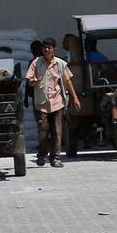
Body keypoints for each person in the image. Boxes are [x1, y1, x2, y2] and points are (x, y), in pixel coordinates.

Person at [26, 37, 80, 167]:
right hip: (41, 104)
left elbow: (67, 81)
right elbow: (29, 80)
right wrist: (35, 81)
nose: (47, 50)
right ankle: (42, 155)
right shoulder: (36, 63)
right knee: (43, 131)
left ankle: (55, 158)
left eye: (49, 47)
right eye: (45, 47)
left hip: (57, 103)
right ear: (42, 49)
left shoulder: (60, 64)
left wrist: (75, 98)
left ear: (54, 49)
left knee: (57, 131)